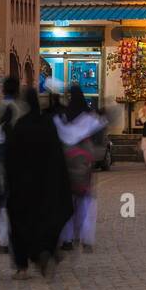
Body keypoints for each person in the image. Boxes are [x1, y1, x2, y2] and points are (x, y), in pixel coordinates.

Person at [4, 87, 72, 279]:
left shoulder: (20, 127)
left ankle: (22, 267)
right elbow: (57, 157)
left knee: (20, 224)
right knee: (44, 220)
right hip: (45, 186)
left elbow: (11, 158)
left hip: (23, 187)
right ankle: (44, 251)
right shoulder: (48, 126)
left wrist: (10, 182)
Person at [54, 85, 106, 252]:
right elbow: (101, 129)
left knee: (66, 202)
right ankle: (86, 239)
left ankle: (67, 239)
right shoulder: (89, 119)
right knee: (85, 201)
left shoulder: (63, 118)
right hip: (84, 164)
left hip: (65, 164)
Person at [0, 75, 24, 253]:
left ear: (3, 90)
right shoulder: (23, 108)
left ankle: (3, 240)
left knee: (1, 197)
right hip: (19, 155)